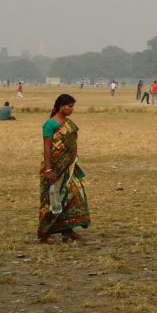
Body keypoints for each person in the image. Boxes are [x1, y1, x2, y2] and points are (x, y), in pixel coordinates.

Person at [39, 94, 90, 243]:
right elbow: (47, 148)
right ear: (61, 106)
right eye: (69, 106)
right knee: (51, 200)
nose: (72, 109)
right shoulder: (50, 124)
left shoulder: (68, 123)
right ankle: (44, 234)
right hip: (54, 167)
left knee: (71, 196)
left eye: (73, 106)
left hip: (69, 167)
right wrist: (48, 169)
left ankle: (67, 230)